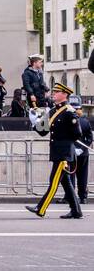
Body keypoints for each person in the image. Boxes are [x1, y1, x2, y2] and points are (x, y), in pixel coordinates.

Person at [26, 82, 82, 219]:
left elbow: (77, 133)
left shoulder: (69, 111)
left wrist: (65, 141)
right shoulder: (53, 110)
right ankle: (76, 211)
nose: (53, 94)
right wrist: (35, 122)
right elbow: (43, 131)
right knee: (66, 183)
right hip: (56, 151)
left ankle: (41, 208)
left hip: (63, 153)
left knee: (54, 181)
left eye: (56, 92)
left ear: (64, 95)